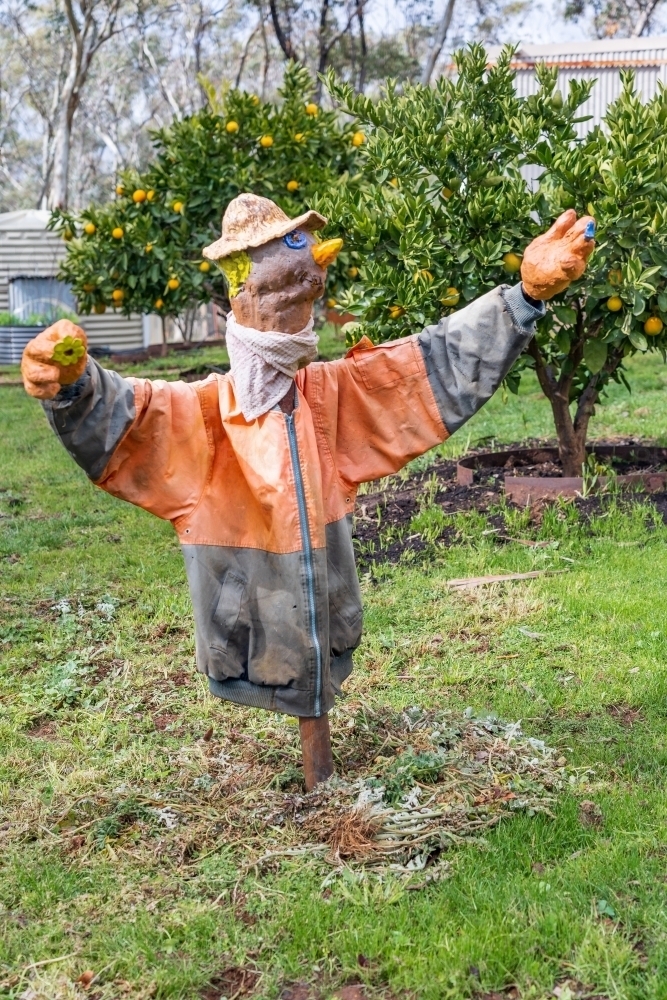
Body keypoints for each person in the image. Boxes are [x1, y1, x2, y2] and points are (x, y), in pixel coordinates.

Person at [21, 194, 594, 729]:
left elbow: (427, 367)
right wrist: (74, 387)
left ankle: (324, 781)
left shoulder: (331, 398)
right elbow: (130, 419)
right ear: (241, 284)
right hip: (246, 642)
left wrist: (523, 297)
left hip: (330, 621)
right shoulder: (205, 418)